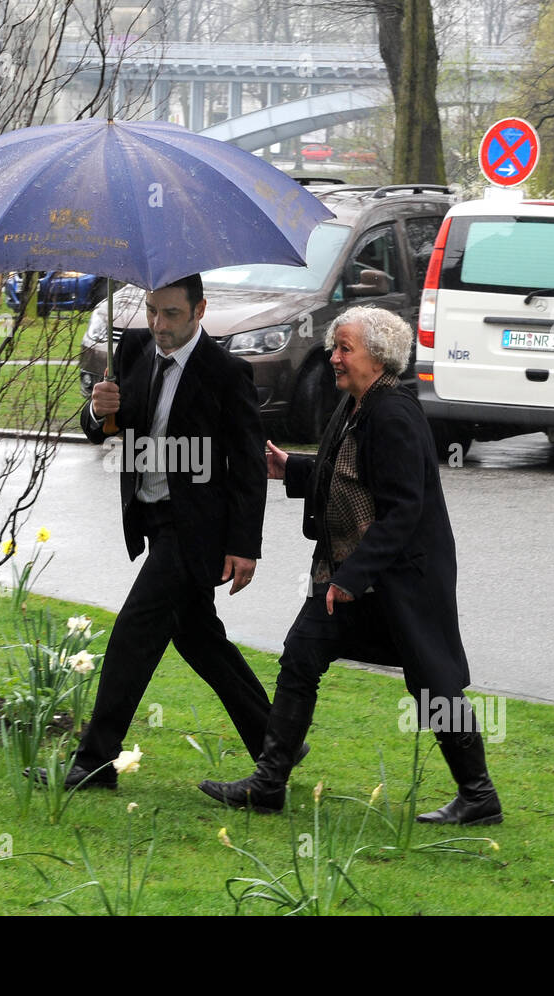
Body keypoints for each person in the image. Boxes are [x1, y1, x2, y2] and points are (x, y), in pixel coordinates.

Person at [199, 306, 502, 824]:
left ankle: (478, 796)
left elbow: (403, 508)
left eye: (344, 349)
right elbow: (348, 470)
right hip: (349, 577)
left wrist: (354, 577)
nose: (333, 358)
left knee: (433, 685)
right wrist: (291, 467)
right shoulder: (359, 404)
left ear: (378, 357)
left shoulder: (394, 414)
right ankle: (269, 783)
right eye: (334, 348)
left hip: (396, 582)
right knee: (300, 655)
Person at [61, 274, 273, 789]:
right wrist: (98, 409)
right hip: (153, 519)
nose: (159, 324)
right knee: (199, 638)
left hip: (195, 529)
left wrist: (245, 546)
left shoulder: (225, 373)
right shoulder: (133, 349)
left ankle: (95, 762)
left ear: (200, 311)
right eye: (153, 311)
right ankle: (276, 740)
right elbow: (102, 430)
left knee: (135, 631)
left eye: (171, 314)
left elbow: (248, 465)